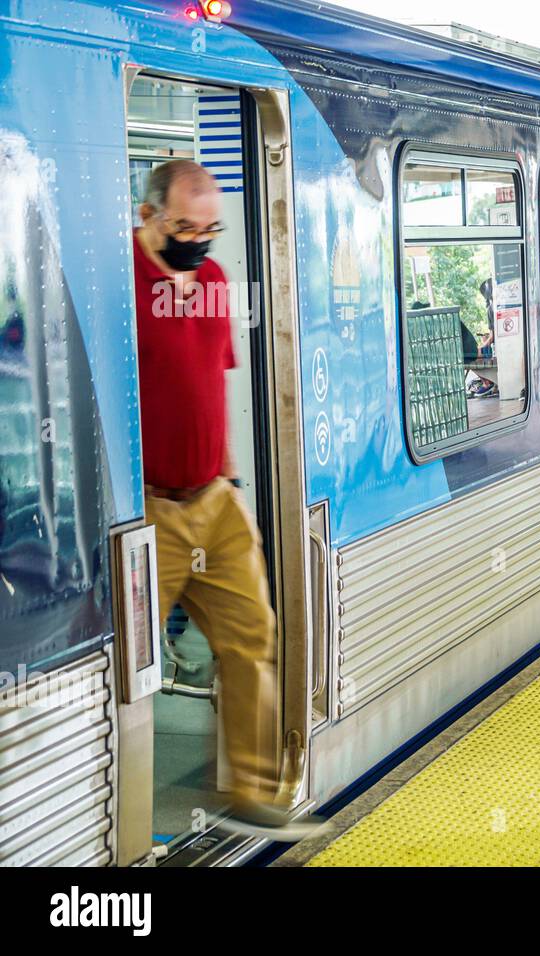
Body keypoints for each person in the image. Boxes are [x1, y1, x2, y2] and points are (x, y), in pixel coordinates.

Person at [133, 160, 313, 839]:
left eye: (210, 230)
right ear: (148, 215)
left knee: (252, 638)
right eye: (185, 227)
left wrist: (232, 484)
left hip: (214, 498)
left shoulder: (212, 280)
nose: (199, 242)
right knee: (128, 667)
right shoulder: (119, 278)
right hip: (147, 510)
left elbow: (215, 384)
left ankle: (251, 792)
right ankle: (116, 824)